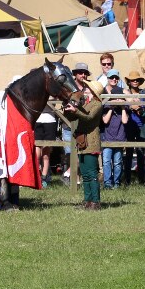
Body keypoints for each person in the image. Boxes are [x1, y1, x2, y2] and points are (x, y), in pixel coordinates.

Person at [54, 79, 105, 209]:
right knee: (85, 174)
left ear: (93, 91)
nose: (84, 89)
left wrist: (75, 110)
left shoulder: (97, 104)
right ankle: (87, 201)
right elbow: (74, 118)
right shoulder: (87, 103)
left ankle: (95, 201)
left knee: (92, 174)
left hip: (91, 142)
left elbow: (88, 117)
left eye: (87, 87)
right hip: (82, 142)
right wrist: (68, 110)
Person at [101, 80, 129, 188]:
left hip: (119, 138)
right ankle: (107, 183)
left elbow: (125, 121)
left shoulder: (125, 108)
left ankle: (116, 183)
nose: (117, 100)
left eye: (119, 97)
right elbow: (105, 121)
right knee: (106, 161)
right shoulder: (107, 107)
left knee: (117, 162)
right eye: (115, 97)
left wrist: (122, 107)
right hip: (107, 138)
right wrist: (111, 108)